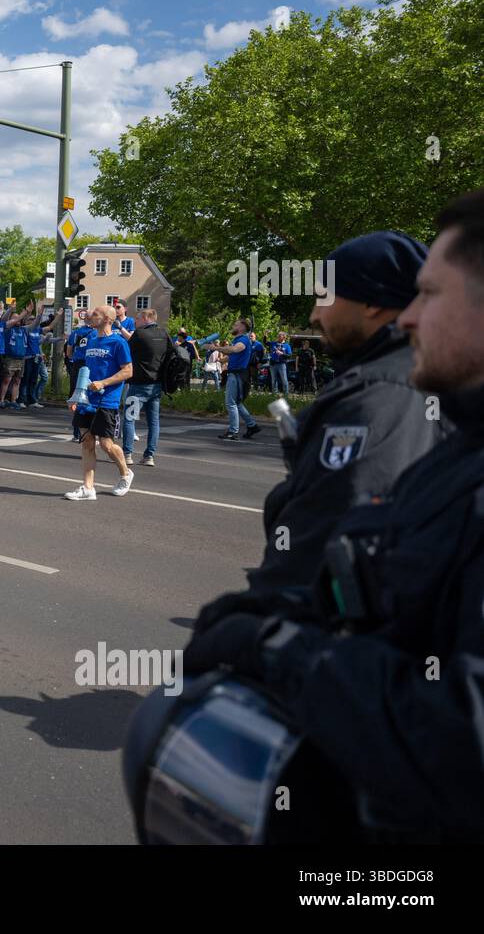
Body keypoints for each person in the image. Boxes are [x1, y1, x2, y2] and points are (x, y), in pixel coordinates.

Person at [180, 189, 484, 842]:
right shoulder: (456, 439)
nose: (409, 319)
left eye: (431, 296)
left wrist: (280, 648)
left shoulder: (385, 397)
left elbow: (465, 733)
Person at [246, 231, 444, 593]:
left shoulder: (380, 396)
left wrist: (246, 627)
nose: (315, 314)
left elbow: (324, 543)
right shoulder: (417, 373)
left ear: (371, 302)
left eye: (324, 297)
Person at [64, 304, 133, 501]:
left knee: (106, 444)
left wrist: (104, 382)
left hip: (107, 400)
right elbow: (86, 371)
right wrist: (77, 396)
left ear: (106, 320)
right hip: (87, 400)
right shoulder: (92, 340)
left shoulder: (118, 343)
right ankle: (88, 488)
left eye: (95, 313)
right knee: (86, 442)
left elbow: (128, 371)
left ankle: (125, 474)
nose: (90, 315)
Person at [120, 308, 170, 467]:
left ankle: (127, 454)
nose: (135, 322)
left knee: (129, 419)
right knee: (153, 422)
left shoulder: (140, 334)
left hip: (138, 385)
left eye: (138, 319)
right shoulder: (164, 333)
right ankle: (149, 456)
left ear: (147, 318)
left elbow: (127, 349)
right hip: (156, 385)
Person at [207, 320, 260, 441]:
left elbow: (235, 350)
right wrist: (221, 360)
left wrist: (216, 347)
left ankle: (233, 431)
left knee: (230, 403)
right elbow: (231, 355)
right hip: (236, 374)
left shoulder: (243, 340)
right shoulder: (238, 340)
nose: (233, 326)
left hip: (237, 375)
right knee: (236, 403)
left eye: (235, 325)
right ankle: (252, 425)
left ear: (242, 327)